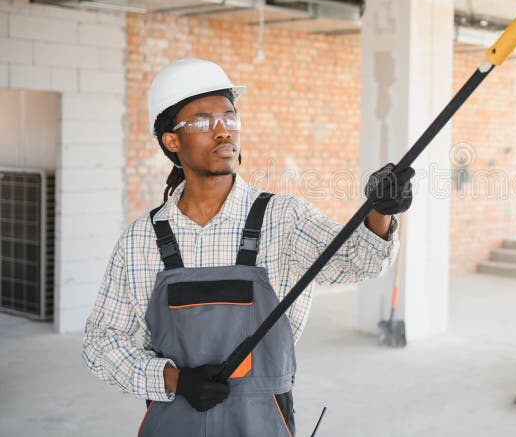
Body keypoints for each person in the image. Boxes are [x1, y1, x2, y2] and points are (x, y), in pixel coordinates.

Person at [81, 58, 414, 436]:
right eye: (203, 122)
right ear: (172, 141)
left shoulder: (283, 219)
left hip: (261, 424)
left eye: (230, 117)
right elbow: (100, 342)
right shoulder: (142, 239)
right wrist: (173, 379)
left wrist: (380, 211)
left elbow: (361, 260)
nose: (223, 131)